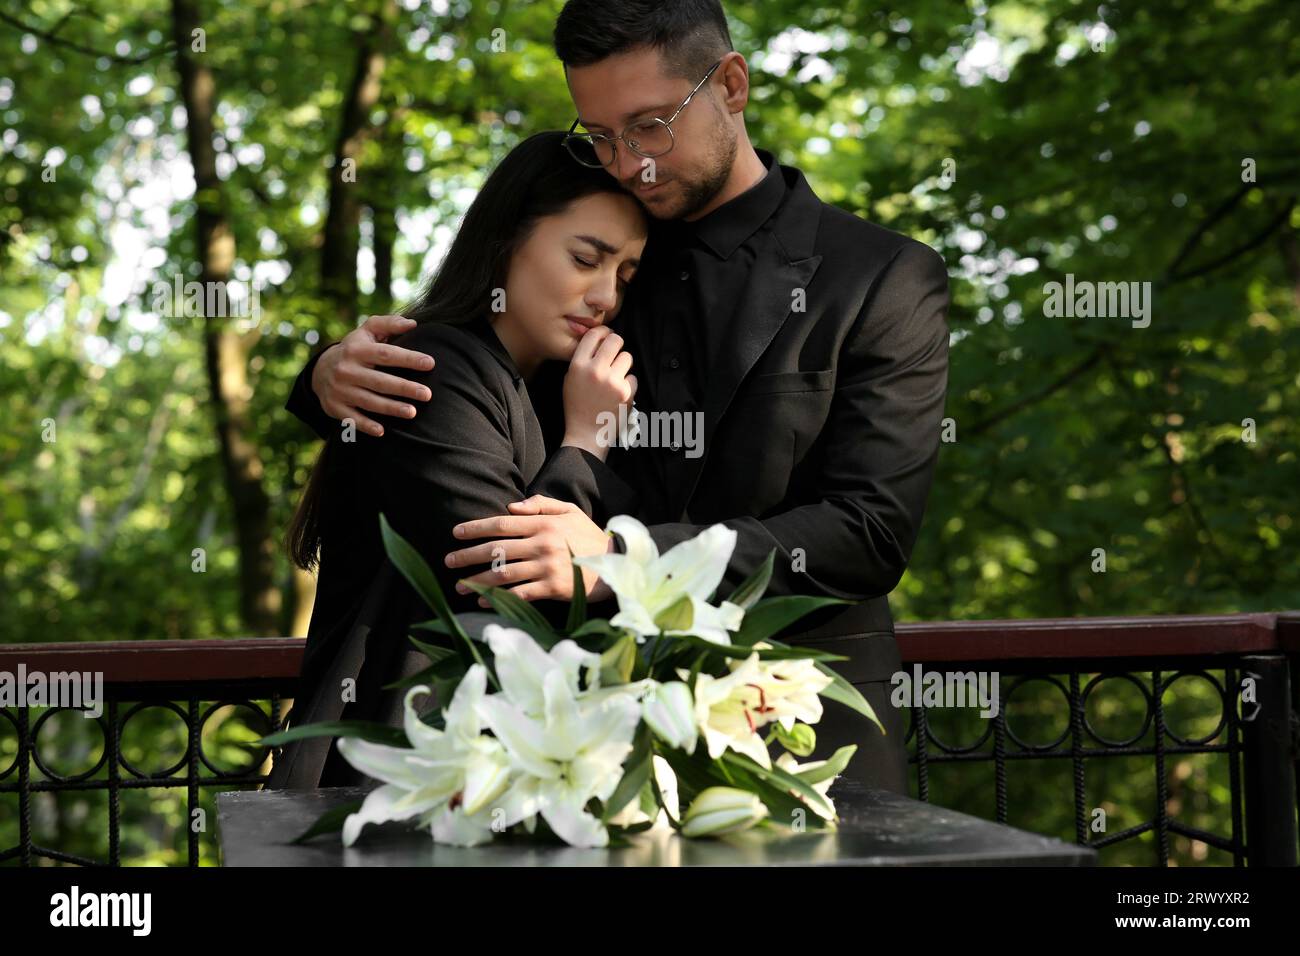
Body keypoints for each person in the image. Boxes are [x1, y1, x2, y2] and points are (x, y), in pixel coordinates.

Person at [285, 0, 951, 796]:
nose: (629, 160)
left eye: (650, 126)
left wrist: (621, 562)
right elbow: (471, 364)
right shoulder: (601, 242)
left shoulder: (880, 277)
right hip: (562, 744)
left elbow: (870, 530)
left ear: (731, 85)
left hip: (796, 728)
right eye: (601, 135)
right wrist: (327, 376)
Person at [264, 131, 647, 790]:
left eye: (626, 275)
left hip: (505, 782)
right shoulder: (432, 371)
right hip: (397, 783)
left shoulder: (562, 390)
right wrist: (586, 443)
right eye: (587, 258)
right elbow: (512, 578)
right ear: (506, 240)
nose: (606, 295)